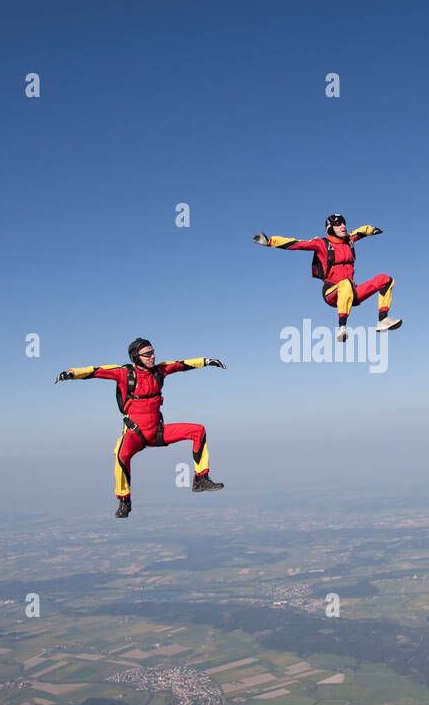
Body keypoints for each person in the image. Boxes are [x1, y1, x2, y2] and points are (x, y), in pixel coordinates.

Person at [56, 338, 224, 518]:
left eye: (153, 353)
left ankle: (201, 479)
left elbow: (182, 364)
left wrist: (206, 362)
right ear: (136, 357)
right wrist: (71, 373)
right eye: (147, 354)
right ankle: (124, 500)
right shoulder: (124, 373)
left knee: (198, 430)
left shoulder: (160, 371)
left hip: (157, 432)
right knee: (121, 455)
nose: (153, 357)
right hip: (135, 433)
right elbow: (96, 371)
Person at [252, 213, 402, 342]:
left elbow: (361, 231)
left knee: (386, 279)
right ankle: (342, 327)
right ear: (330, 228)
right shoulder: (322, 244)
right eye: (338, 224)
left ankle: (383, 319)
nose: (343, 226)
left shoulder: (349, 240)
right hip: (331, 292)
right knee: (345, 284)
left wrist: (371, 230)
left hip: (351, 292)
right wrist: (270, 241)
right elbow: (297, 243)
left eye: (344, 223)